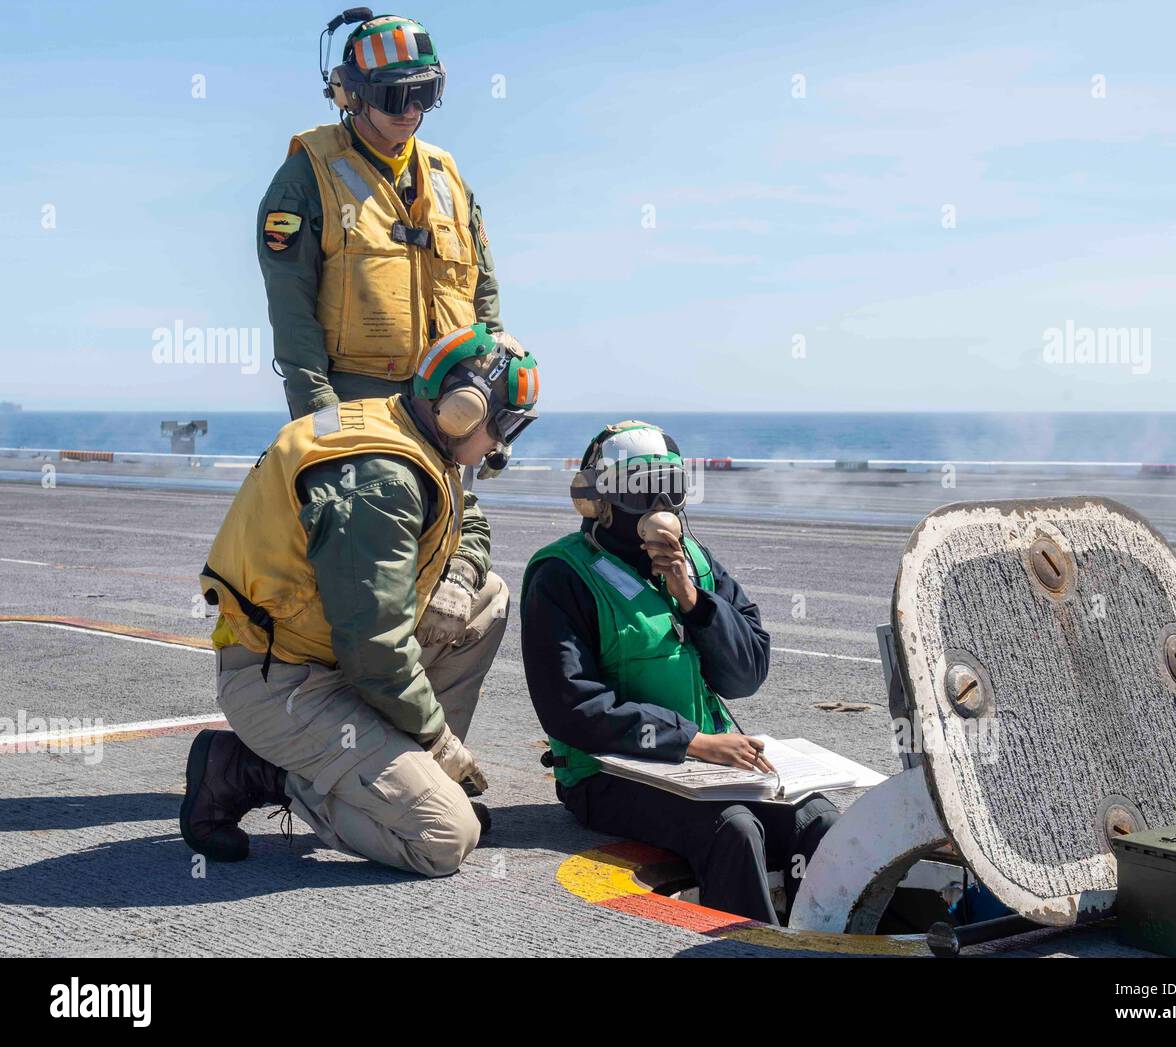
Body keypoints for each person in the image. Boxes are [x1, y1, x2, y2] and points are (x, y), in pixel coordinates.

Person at [180, 325, 539, 878]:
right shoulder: (383, 482)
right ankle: (251, 770)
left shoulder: (402, 426)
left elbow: (466, 513)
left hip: (327, 659)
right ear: (463, 411)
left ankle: (403, 778)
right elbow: (374, 650)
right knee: (445, 838)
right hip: (285, 684)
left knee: (485, 598)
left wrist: (461, 574)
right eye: (504, 427)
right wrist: (438, 740)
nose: (502, 447)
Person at [519, 421, 839, 924]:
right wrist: (692, 742)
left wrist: (694, 601)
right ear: (597, 499)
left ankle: (824, 939)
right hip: (607, 772)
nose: (658, 506)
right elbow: (569, 708)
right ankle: (748, 948)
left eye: (669, 489)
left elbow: (747, 675)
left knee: (817, 819)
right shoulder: (562, 575)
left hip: (708, 765)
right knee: (732, 828)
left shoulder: (697, 563)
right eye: (640, 491)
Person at [258, 11, 503, 420]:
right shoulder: (306, 177)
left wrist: (493, 389)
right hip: (357, 405)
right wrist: (319, 411)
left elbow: (484, 292)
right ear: (352, 95)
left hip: (448, 409)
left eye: (424, 93)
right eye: (394, 96)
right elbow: (290, 305)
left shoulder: (449, 179)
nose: (411, 110)